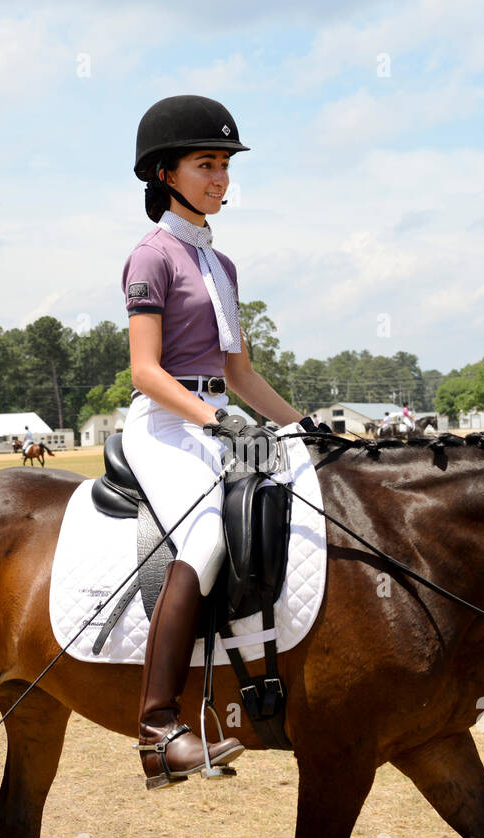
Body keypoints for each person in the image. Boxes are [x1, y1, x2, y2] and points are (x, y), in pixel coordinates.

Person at [122, 94, 319, 791]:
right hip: (167, 423)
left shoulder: (222, 265)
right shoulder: (151, 257)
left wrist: (301, 426)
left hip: (218, 419)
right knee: (207, 537)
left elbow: (237, 372)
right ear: (166, 172)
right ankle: (158, 730)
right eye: (207, 164)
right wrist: (217, 422)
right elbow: (146, 370)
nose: (221, 178)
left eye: (225, 165)